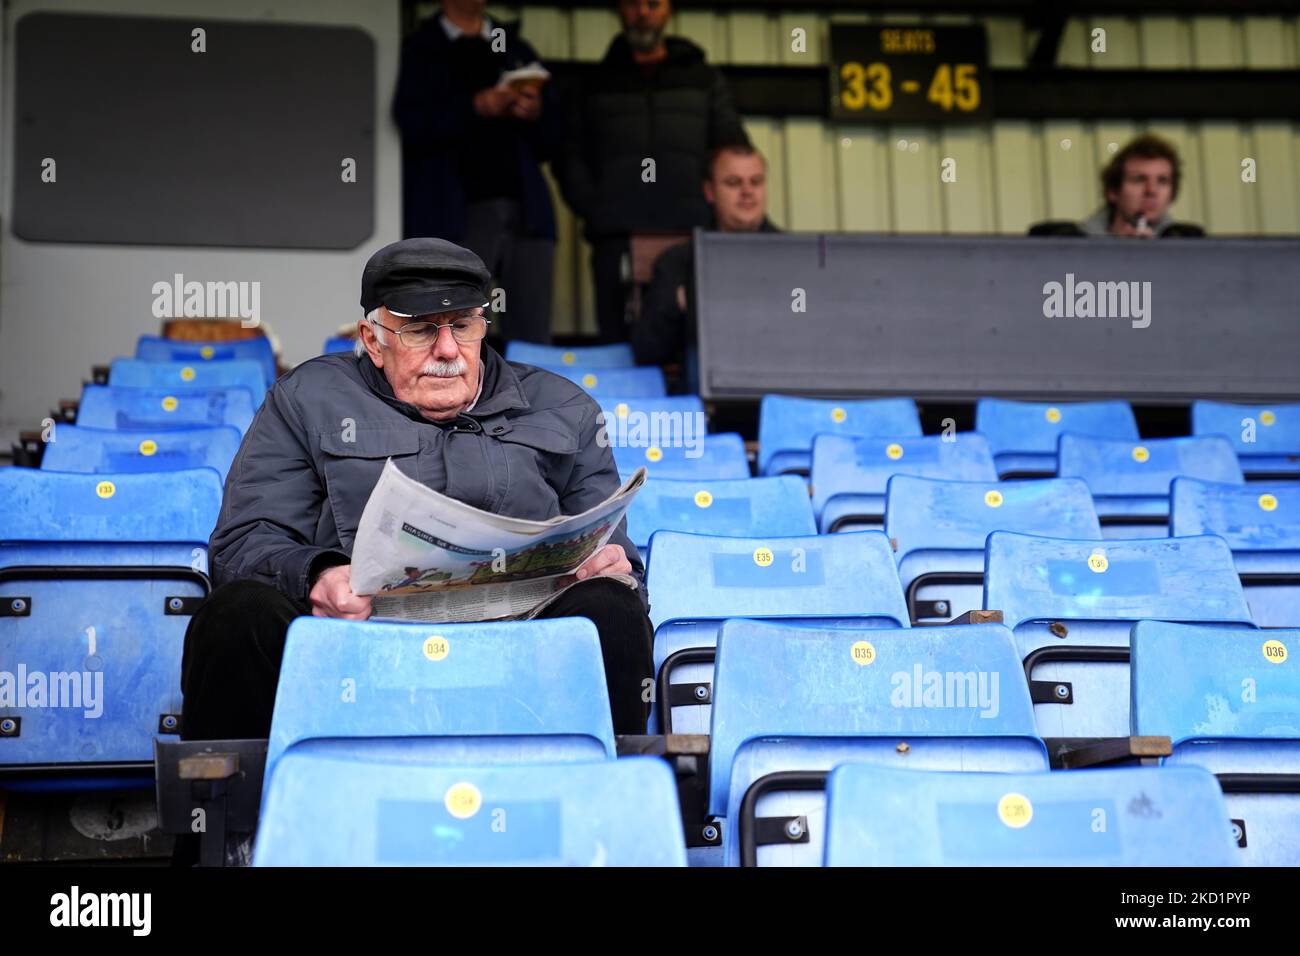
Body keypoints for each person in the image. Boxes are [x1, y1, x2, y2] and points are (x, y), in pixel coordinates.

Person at [179, 238, 653, 752]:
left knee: (614, 608)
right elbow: (243, 542)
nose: (448, 350)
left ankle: (607, 809)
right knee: (236, 613)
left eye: (464, 326)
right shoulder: (305, 400)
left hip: (520, 642)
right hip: (353, 645)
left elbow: (615, 550)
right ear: (373, 339)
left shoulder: (565, 407)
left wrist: (609, 565)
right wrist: (318, 575)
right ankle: (236, 824)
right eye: (421, 330)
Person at [556, 0, 750, 342]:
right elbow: (568, 154)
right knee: (618, 348)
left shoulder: (702, 78)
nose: (642, 13)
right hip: (616, 237)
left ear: (668, 10)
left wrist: (712, 210)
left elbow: (731, 148)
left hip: (693, 233)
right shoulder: (593, 82)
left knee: (699, 341)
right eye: (633, 4)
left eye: (652, 4)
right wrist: (596, 207)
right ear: (618, 9)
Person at [392, 1, 560, 343]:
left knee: (531, 338)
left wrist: (535, 112)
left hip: (526, 213)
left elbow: (556, 140)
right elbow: (409, 125)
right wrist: (476, 106)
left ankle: (526, 399)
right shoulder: (419, 49)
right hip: (451, 217)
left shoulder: (514, 46)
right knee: (451, 332)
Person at [632, 144, 778, 378]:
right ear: (709, 191)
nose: (747, 191)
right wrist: (677, 304)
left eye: (756, 182)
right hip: (706, 398)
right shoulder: (678, 263)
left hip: (783, 391)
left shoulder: (797, 256)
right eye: (733, 182)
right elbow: (646, 352)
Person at [1030, 134, 1204, 238]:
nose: (1151, 191)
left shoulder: (1193, 245)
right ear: (1112, 191)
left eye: (1162, 181)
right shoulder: (1069, 243)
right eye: (1139, 180)